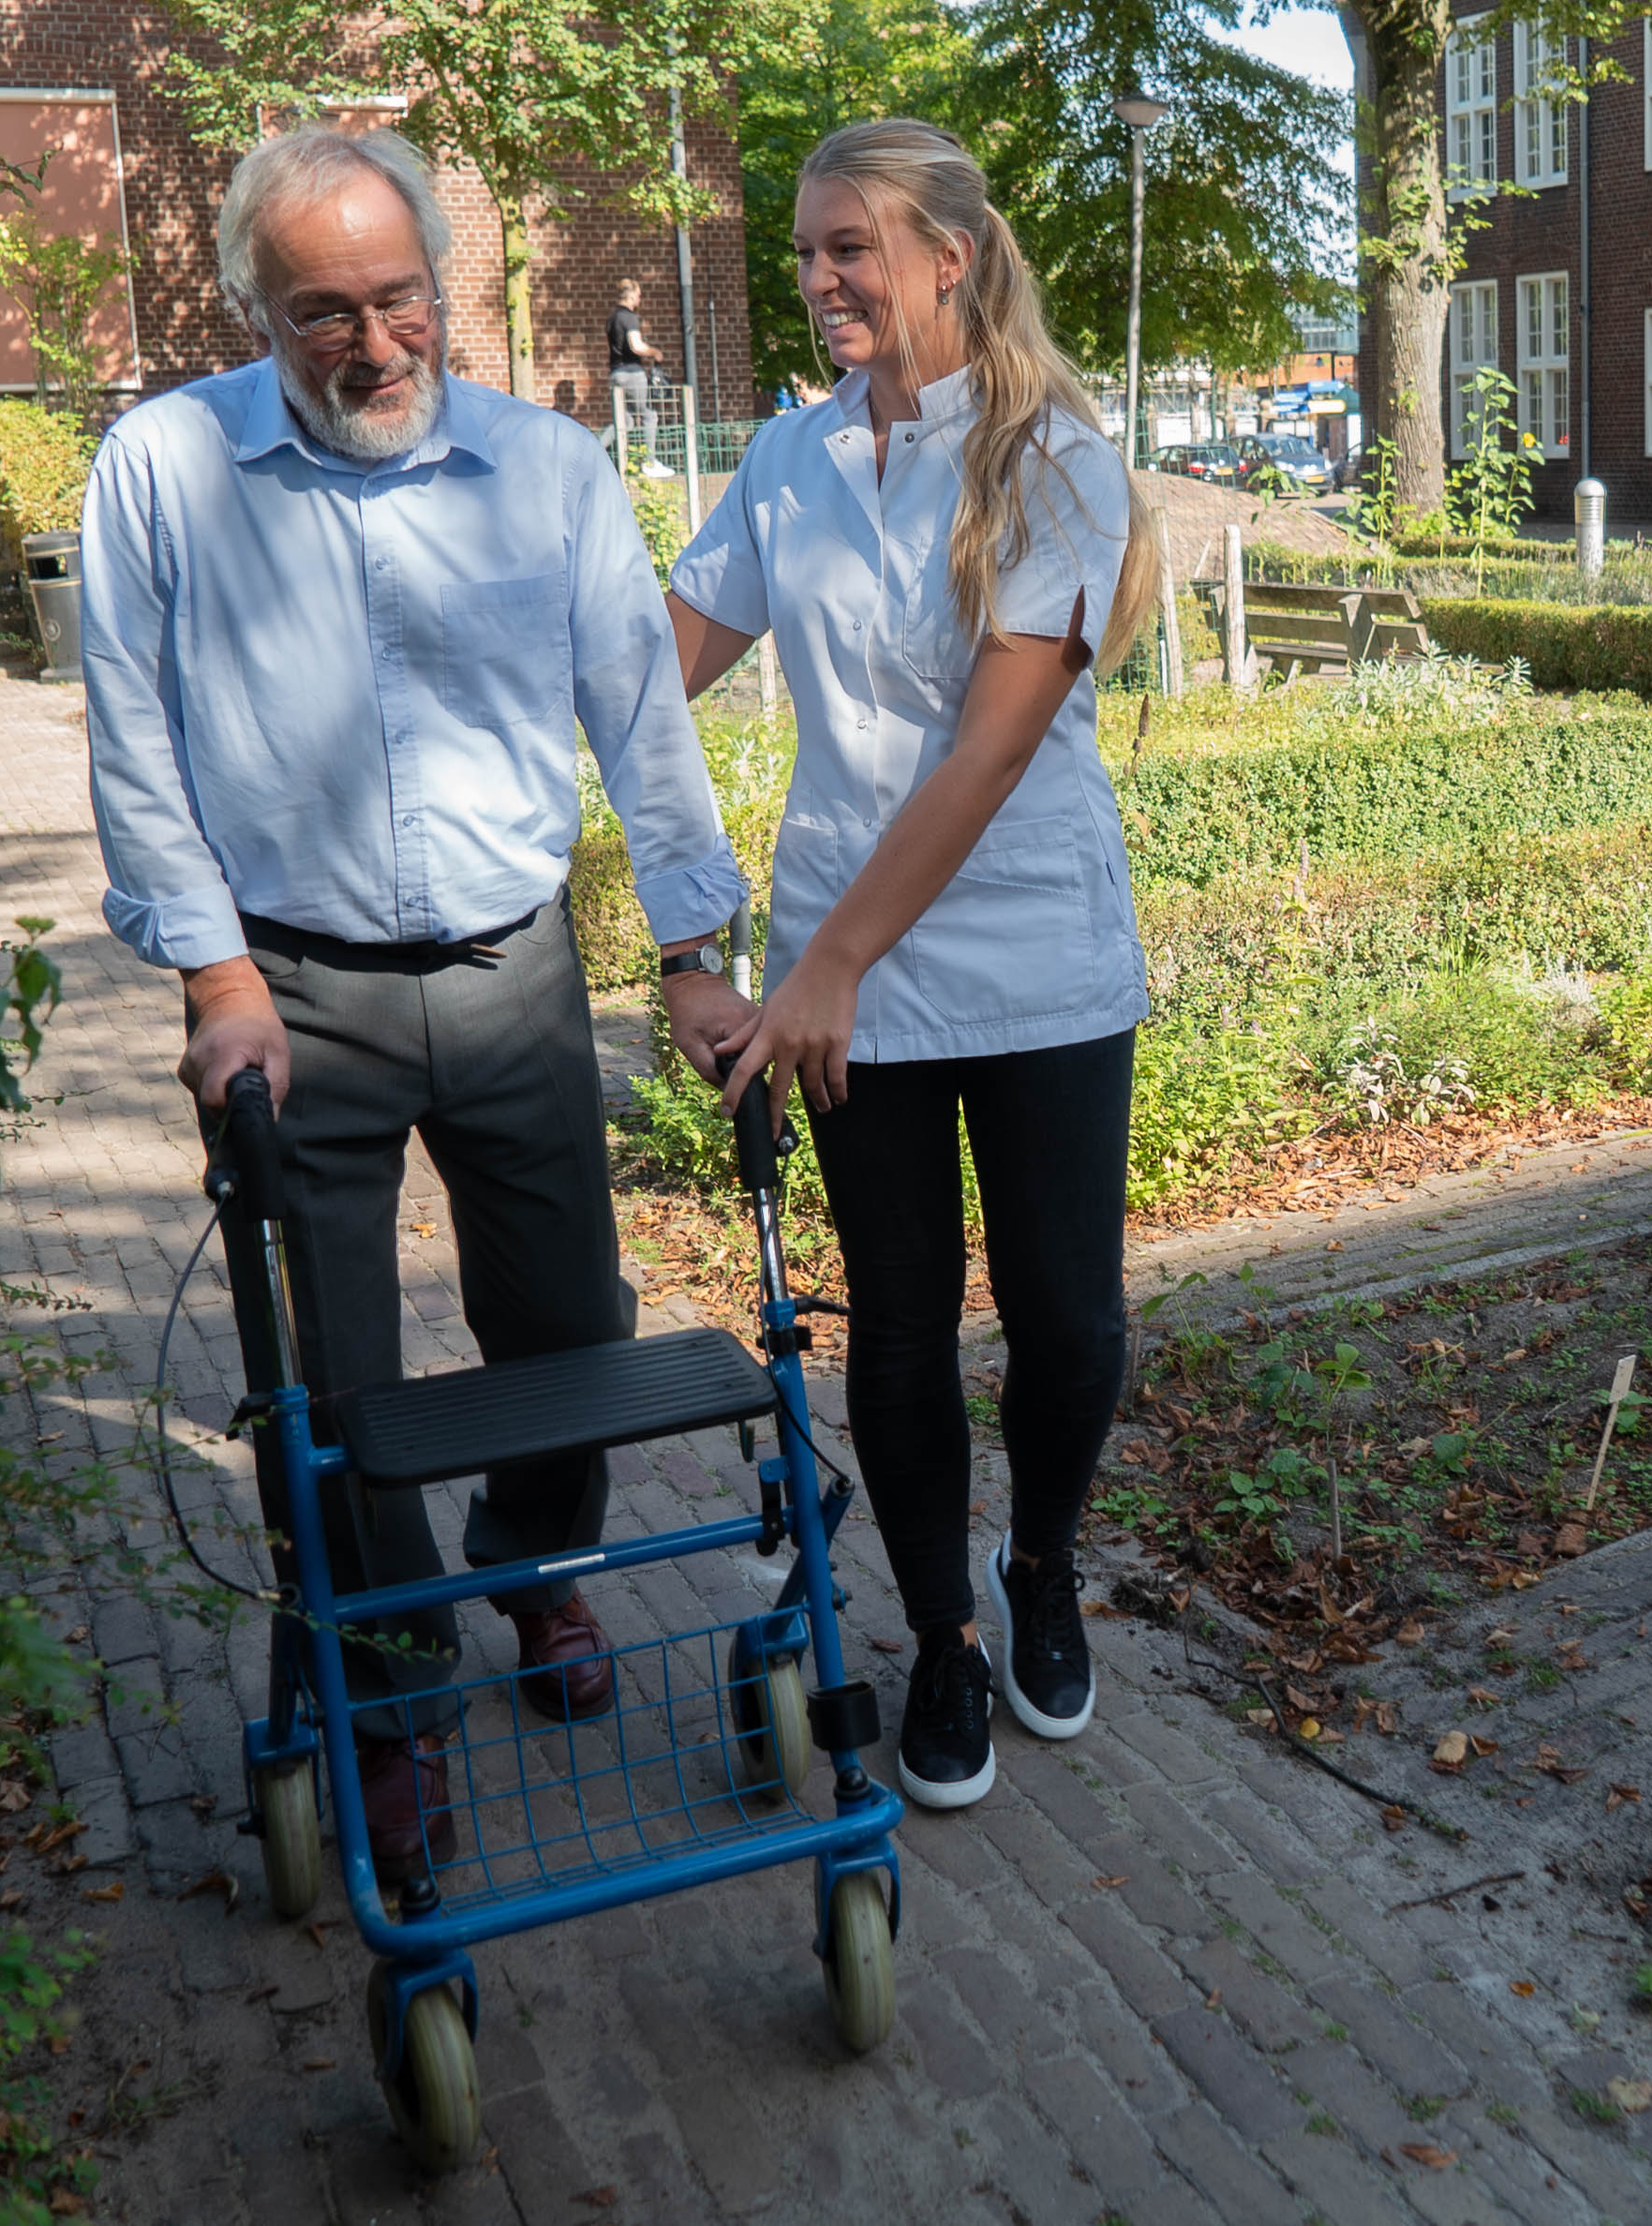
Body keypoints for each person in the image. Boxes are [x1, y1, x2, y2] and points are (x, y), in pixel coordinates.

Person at [77, 125, 752, 1877]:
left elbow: (640, 720)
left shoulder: (547, 471)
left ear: (440, 283)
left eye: (401, 299)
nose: (374, 345)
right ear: (249, 306)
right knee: (335, 1382)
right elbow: (133, 739)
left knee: (569, 1325)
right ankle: (392, 1688)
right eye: (323, 313)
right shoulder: (164, 469)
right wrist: (214, 977)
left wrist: (690, 955)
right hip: (294, 992)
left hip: (514, 967)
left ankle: (538, 1579)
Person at [660, 118, 1158, 1812]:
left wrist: (825, 967)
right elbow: (654, 675)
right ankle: (942, 1635)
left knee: (1067, 1322)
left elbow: (988, 754)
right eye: (803, 253)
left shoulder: (1056, 461)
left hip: (1028, 956)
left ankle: (1042, 1571)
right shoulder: (789, 460)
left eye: (847, 248)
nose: (815, 281)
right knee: (897, 1328)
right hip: (838, 970)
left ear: (948, 254)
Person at [606, 276, 661, 421]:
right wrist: (655, 353)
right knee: (649, 417)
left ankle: (596, 443)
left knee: (625, 422)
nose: (639, 299)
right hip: (632, 374)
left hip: (616, 374)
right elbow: (636, 346)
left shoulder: (613, 317)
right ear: (631, 296)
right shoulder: (629, 317)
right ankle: (649, 445)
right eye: (638, 295)